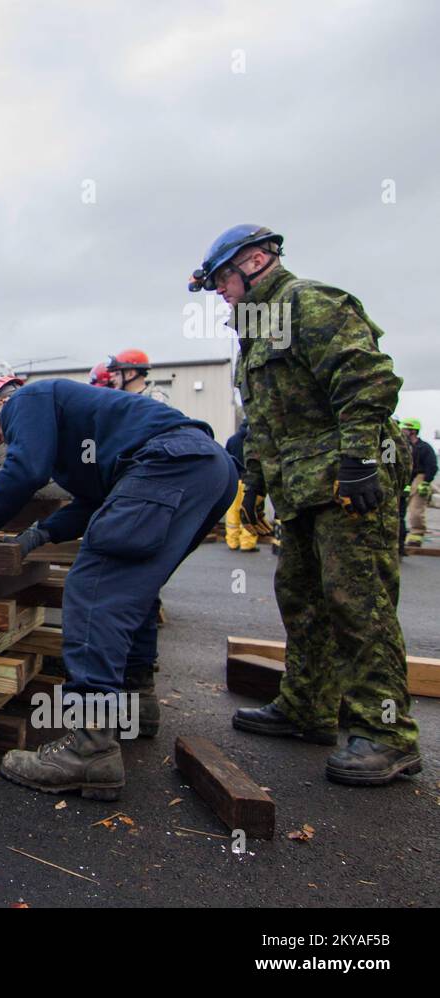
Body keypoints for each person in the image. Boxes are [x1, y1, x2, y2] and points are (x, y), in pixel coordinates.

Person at [189, 224, 421, 785]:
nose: (221, 289)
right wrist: (257, 488)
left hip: (345, 482)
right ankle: (308, 708)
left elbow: (366, 379)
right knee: (301, 598)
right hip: (300, 488)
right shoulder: (254, 330)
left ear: (257, 260)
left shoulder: (307, 302)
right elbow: (265, 423)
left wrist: (360, 459)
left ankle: (387, 736)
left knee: (357, 605)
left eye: (224, 277)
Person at [0, 367, 234, 800]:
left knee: (93, 588)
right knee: (133, 587)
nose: (4, 440)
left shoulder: (26, 401)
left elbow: (26, 469)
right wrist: (38, 535)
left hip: (168, 464)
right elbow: (93, 502)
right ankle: (136, 703)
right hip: (206, 468)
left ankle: (89, 748)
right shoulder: (78, 433)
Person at [400, 418, 436, 547]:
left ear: (413, 431)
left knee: (416, 510)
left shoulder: (424, 448)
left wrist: (426, 482)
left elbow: (432, 466)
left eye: (404, 429)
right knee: (400, 511)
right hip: (406, 479)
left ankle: (416, 535)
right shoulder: (402, 447)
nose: (401, 431)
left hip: (419, 479)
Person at [223, 418, 257, 552]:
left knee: (232, 512)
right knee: (248, 511)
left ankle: (232, 541)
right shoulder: (254, 441)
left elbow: (226, 458)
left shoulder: (232, 440)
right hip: (249, 481)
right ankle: (247, 543)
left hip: (234, 480)